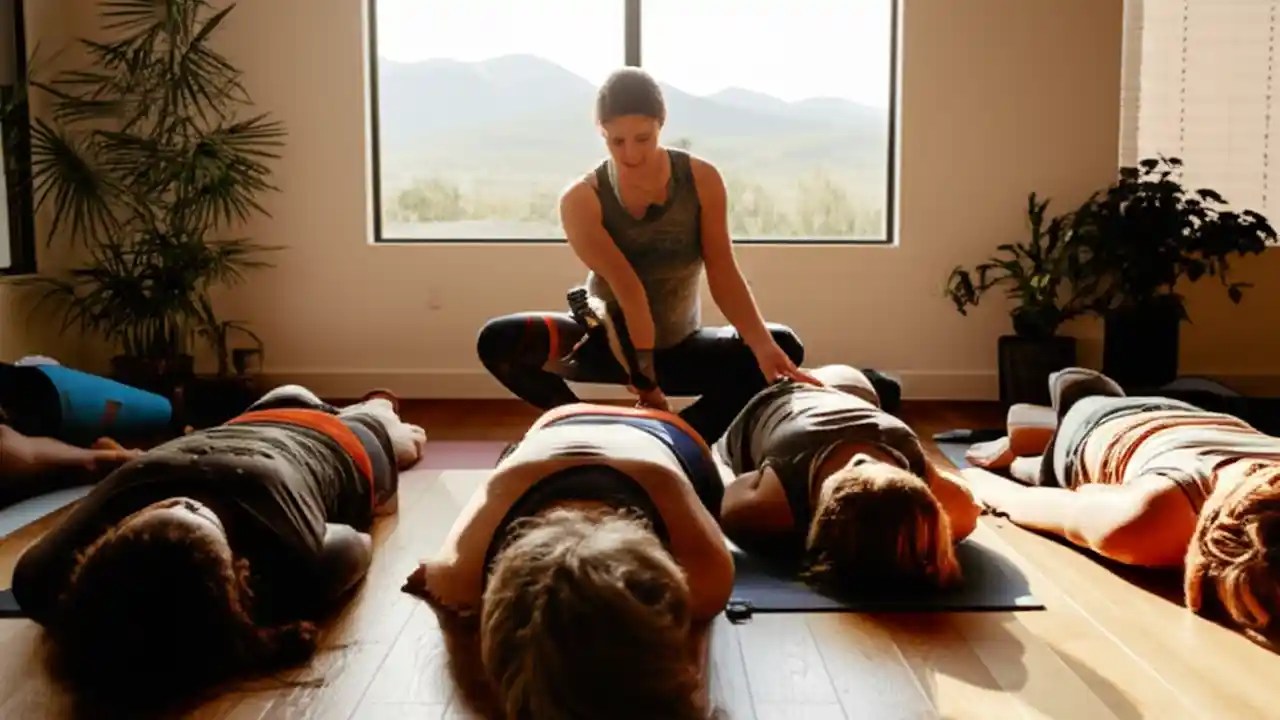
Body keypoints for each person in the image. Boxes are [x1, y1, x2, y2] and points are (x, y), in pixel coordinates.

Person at [11, 385, 427, 713]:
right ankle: (380, 408)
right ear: (236, 564)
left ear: (105, 542)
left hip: (249, 420)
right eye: (196, 512)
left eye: (161, 505)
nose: (187, 497)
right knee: (389, 429)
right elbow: (359, 541)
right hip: (341, 442)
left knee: (291, 390)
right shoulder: (297, 563)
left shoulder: (45, 575)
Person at [476, 65, 821, 446]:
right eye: (616, 141)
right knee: (497, 340)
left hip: (679, 346)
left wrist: (762, 346)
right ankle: (580, 430)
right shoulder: (581, 199)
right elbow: (628, 290)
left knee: (782, 344)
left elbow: (723, 272)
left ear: (661, 123)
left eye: (643, 138)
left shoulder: (701, 179)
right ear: (601, 132)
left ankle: (679, 437)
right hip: (604, 343)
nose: (631, 154)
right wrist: (646, 385)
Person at [402, 401, 733, 720]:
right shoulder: (460, 571)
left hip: (665, 437)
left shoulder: (704, 575)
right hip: (558, 432)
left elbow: (684, 681)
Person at [963, 367, 1280, 649]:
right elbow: (1026, 501)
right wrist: (973, 480)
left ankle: (1050, 424)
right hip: (1101, 424)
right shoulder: (1152, 520)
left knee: (1060, 455)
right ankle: (1056, 417)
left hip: (1211, 423)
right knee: (1036, 465)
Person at [715, 364, 981, 593]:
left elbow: (728, 488)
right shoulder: (953, 507)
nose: (862, 458)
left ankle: (877, 381)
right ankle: (878, 381)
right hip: (836, 392)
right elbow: (967, 504)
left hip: (784, 397)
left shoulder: (771, 502)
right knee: (870, 384)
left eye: (855, 470)